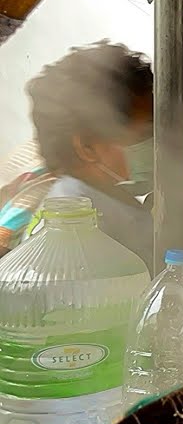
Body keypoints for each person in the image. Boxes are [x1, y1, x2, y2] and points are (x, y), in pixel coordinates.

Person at [26, 42, 155, 269]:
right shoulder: (70, 223)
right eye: (144, 132)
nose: (155, 144)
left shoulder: (109, 198)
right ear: (86, 146)